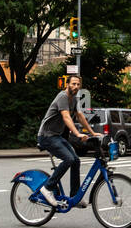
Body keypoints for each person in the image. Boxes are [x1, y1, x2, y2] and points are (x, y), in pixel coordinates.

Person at [33, 75, 99, 208]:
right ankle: (47, 188)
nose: (76, 87)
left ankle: (75, 196)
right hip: (46, 136)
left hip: (56, 136)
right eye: (73, 84)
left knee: (76, 160)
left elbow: (79, 116)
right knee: (69, 159)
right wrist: (77, 133)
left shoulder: (73, 99)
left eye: (78, 84)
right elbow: (66, 117)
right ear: (67, 84)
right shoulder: (62, 97)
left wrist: (92, 133)